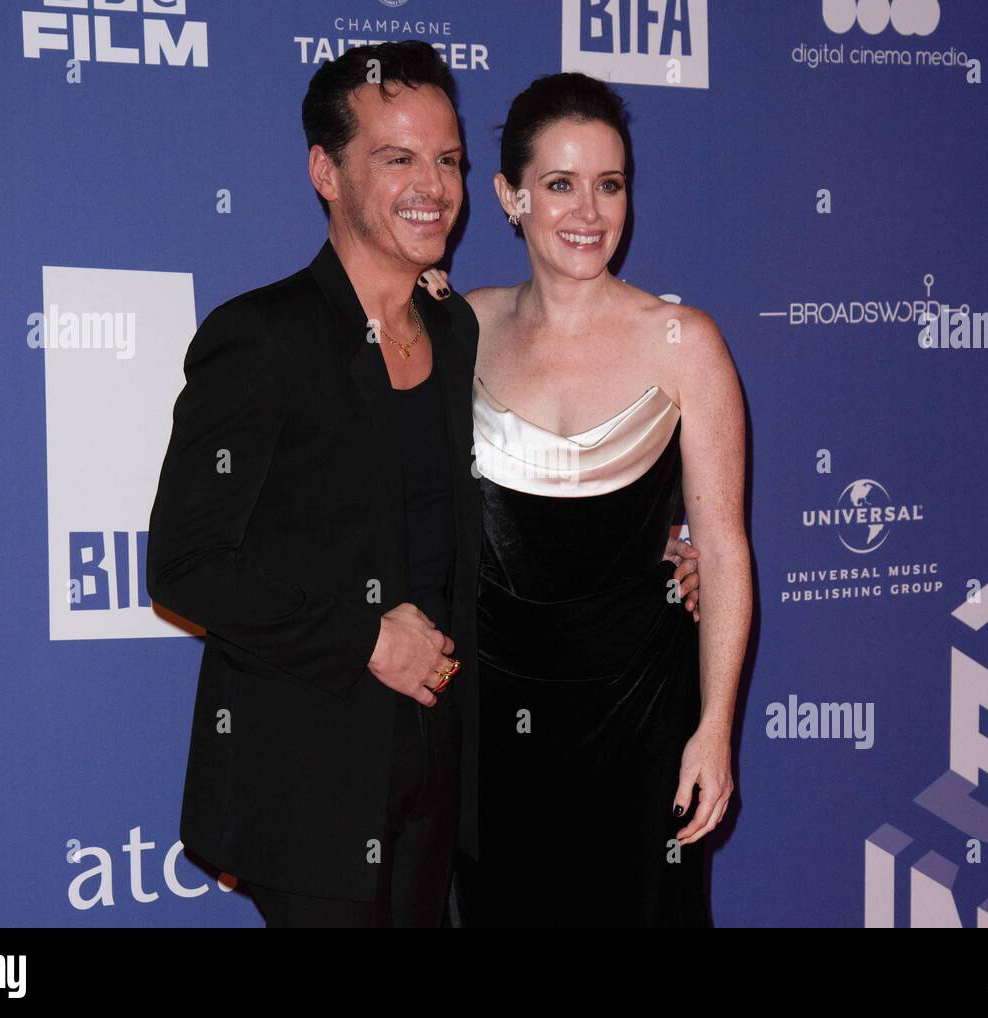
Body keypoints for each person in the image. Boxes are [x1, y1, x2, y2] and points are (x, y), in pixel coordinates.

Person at [146, 43, 702, 928]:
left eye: (446, 161)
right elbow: (184, 567)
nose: (431, 186)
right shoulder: (261, 337)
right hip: (312, 791)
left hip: (445, 786)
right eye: (396, 158)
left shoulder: (455, 334)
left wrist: (660, 555)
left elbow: (522, 507)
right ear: (325, 171)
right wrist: (364, 638)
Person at [422, 72, 752, 927]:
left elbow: (721, 548)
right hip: (490, 718)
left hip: (640, 713)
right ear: (509, 195)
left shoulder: (686, 344)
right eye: (560, 184)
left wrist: (714, 730)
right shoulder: (460, 327)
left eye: (610, 184)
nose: (589, 212)